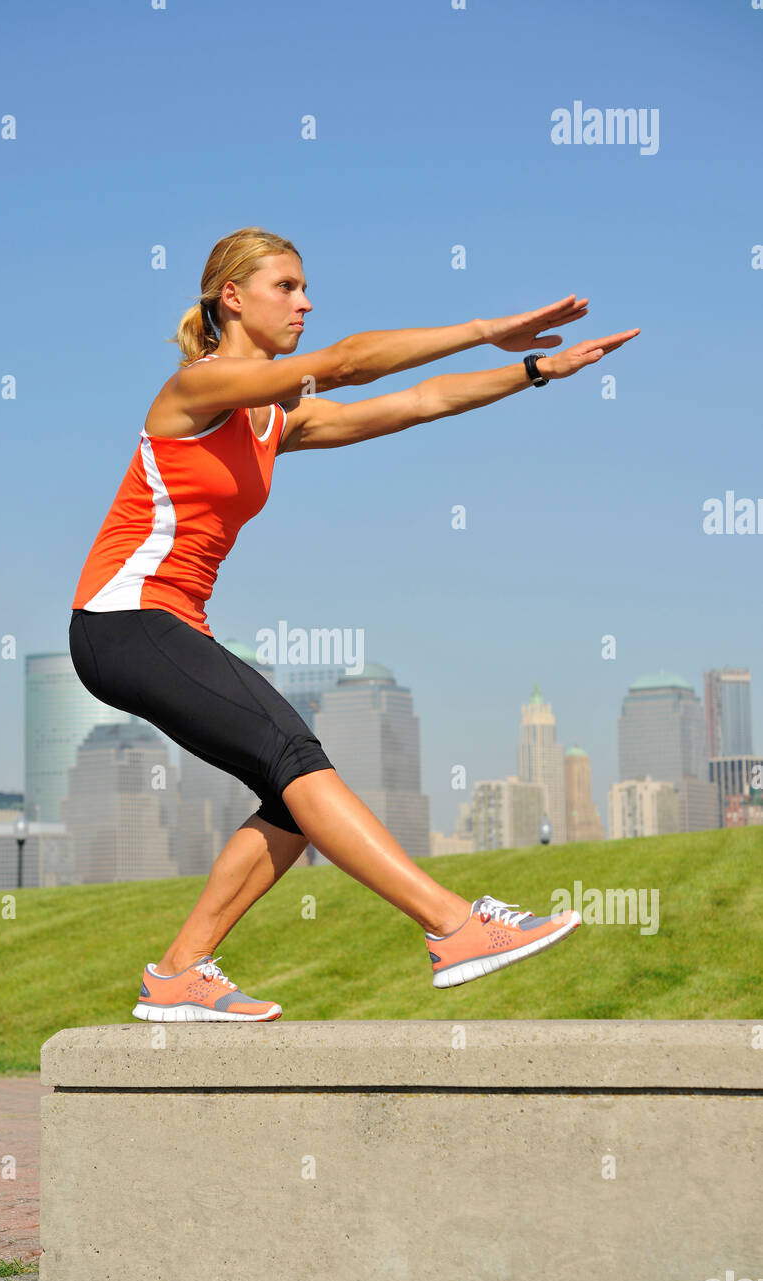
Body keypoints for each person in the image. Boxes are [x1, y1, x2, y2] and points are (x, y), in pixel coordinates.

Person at [68, 225, 640, 1022]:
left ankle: (178, 973)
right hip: (123, 619)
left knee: (291, 797)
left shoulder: (274, 420)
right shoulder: (194, 389)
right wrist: (485, 327)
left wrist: (533, 369)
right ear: (230, 297)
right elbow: (341, 362)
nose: (305, 303)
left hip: (165, 627)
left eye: (306, 289)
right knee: (295, 755)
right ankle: (451, 926)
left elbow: (409, 404)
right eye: (287, 288)